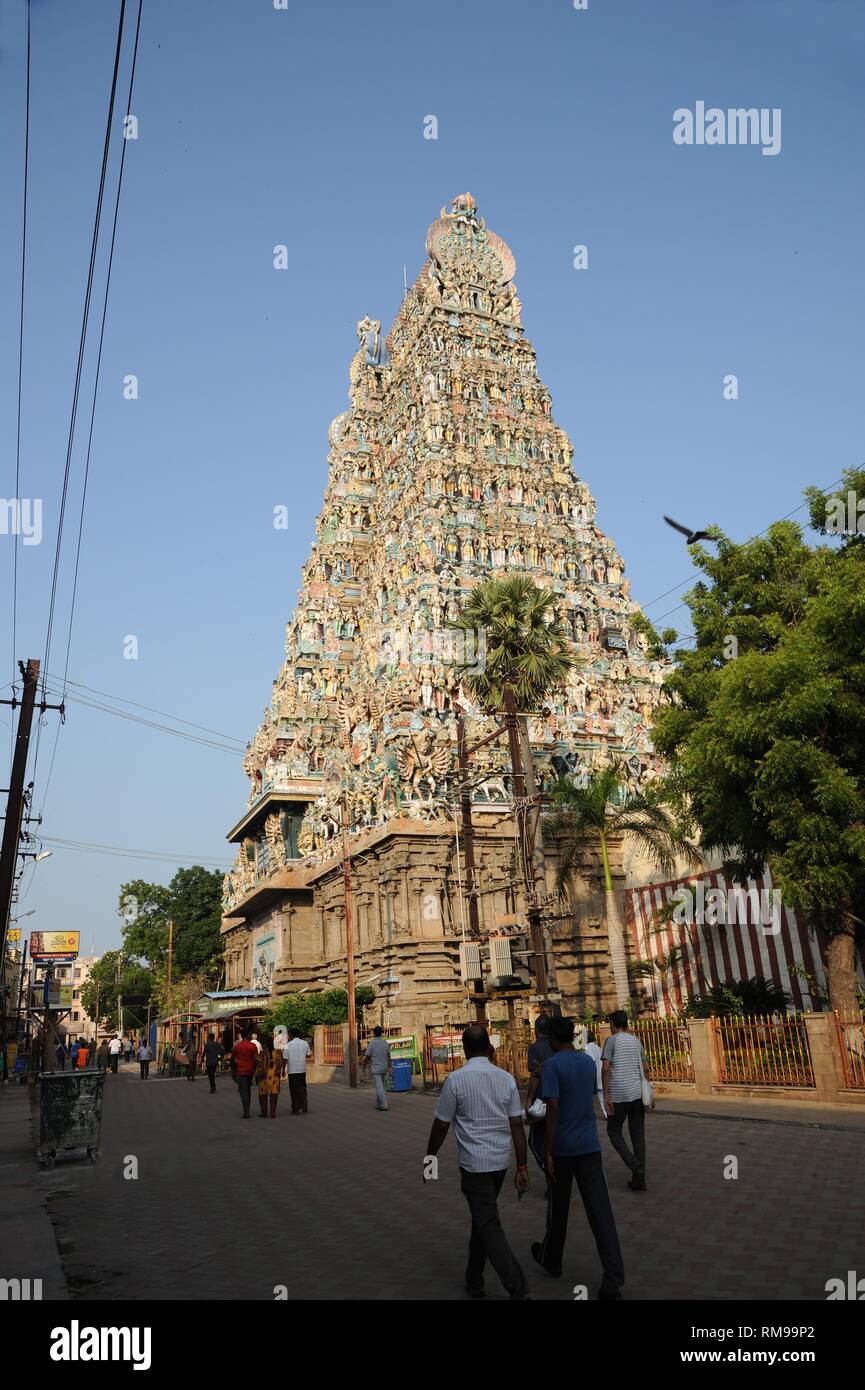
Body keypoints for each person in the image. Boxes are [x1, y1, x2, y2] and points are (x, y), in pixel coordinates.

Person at [424, 1024, 530, 1301]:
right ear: (489, 1048)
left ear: (464, 1050)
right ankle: (474, 1279)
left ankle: (518, 1289)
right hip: (499, 1162)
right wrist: (522, 1166)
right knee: (483, 1220)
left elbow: (441, 1126)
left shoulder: (456, 1080)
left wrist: (430, 1157)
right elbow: (517, 1125)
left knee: (487, 1223)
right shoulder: (505, 1079)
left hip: (474, 1165)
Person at [532, 1016, 625, 1299]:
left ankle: (552, 1258)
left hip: (563, 1148)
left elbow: (553, 1110)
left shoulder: (552, 1066)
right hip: (589, 1146)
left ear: (551, 1039)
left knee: (558, 1209)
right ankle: (613, 1277)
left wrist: (547, 1151)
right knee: (600, 1212)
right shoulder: (587, 1063)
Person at [602, 1010, 648, 1191]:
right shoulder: (636, 1041)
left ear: (613, 1023)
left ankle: (635, 1166)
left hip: (619, 1094)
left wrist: (606, 1095)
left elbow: (605, 1069)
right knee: (638, 1135)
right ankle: (640, 1179)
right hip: (637, 1093)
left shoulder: (611, 1041)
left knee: (614, 1132)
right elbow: (645, 1067)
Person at [524, 1014, 553, 1175]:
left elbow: (535, 1074)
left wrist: (528, 1099)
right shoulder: (556, 1046)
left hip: (541, 1101)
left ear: (537, 1030)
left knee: (535, 1142)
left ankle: (549, 1170)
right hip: (558, 1099)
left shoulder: (535, 1048)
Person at [361, 1026, 392, 1110]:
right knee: (380, 1085)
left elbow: (367, 1055)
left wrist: (364, 1064)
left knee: (379, 1086)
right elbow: (388, 1055)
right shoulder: (385, 1042)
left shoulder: (372, 1043)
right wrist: (390, 1066)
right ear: (381, 1033)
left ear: (374, 1033)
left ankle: (384, 1104)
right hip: (384, 1067)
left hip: (376, 1068)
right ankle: (378, 1104)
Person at [231, 1026, 258, 1118]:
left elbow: (232, 1059)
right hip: (250, 1071)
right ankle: (247, 1109)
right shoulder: (253, 1046)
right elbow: (256, 1060)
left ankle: (246, 1111)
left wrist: (233, 1070)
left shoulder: (237, 1047)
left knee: (243, 1092)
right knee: (248, 1091)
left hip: (241, 1071)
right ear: (248, 1035)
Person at [255, 1035, 284, 1118]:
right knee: (274, 1094)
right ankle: (272, 1113)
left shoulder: (262, 1052)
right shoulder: (278, 1052)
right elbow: (280, 1063)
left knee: (262, 1095)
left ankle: (264, 1112)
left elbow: (258, 1063)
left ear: (265, 1044)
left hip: (264, 1076)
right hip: (275, 1076)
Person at [283, 1028, 311, 1114]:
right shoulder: (305, 1043)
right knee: (302, 1087)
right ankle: (303, 1104)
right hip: (302, 1069)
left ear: (292, 1035)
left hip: (292, 1070)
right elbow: (309, 1055)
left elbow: (285, 1059)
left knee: (293, 1090)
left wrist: (283, 1069)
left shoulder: (288, 1045)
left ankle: (295, 1107)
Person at [584, 1029, 607, 1119]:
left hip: (595, 1074)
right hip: (601, 1073)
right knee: (603, 1094)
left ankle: (607, 1114)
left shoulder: (588, 1048)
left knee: (600, 1097)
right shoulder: (598, 1047)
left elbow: (591, 1061)